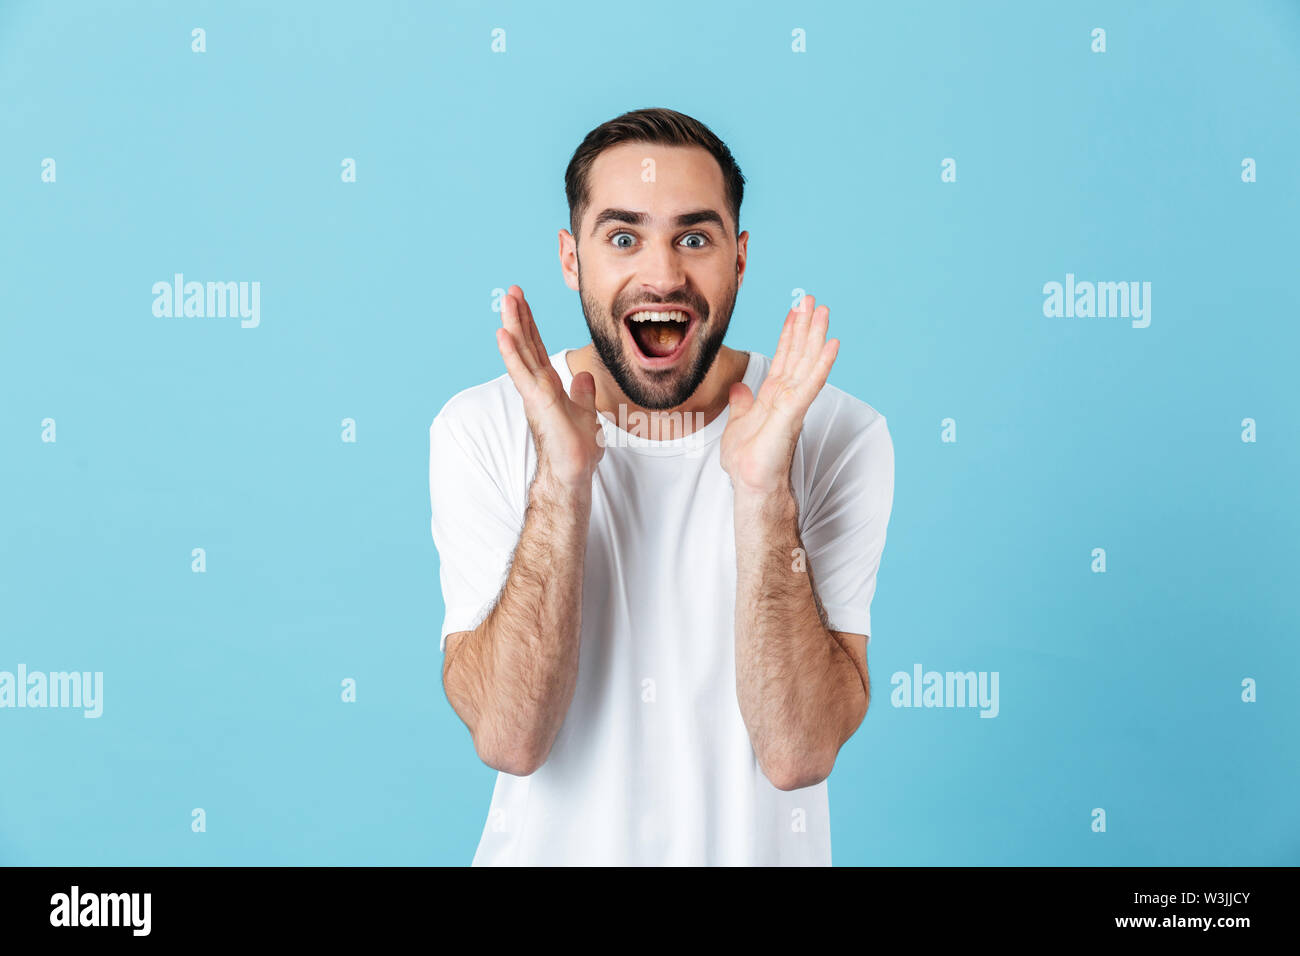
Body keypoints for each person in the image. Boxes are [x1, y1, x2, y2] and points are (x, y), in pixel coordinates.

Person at [428, 107, 894, 865]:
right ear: (571, 259)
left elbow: (797, 753)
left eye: (694, 237)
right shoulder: (480, 426)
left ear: (739, 258)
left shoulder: (839, 433)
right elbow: (511, 738)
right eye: (622, 237)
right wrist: (563, 483)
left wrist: (760, 491)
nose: (662, 274)